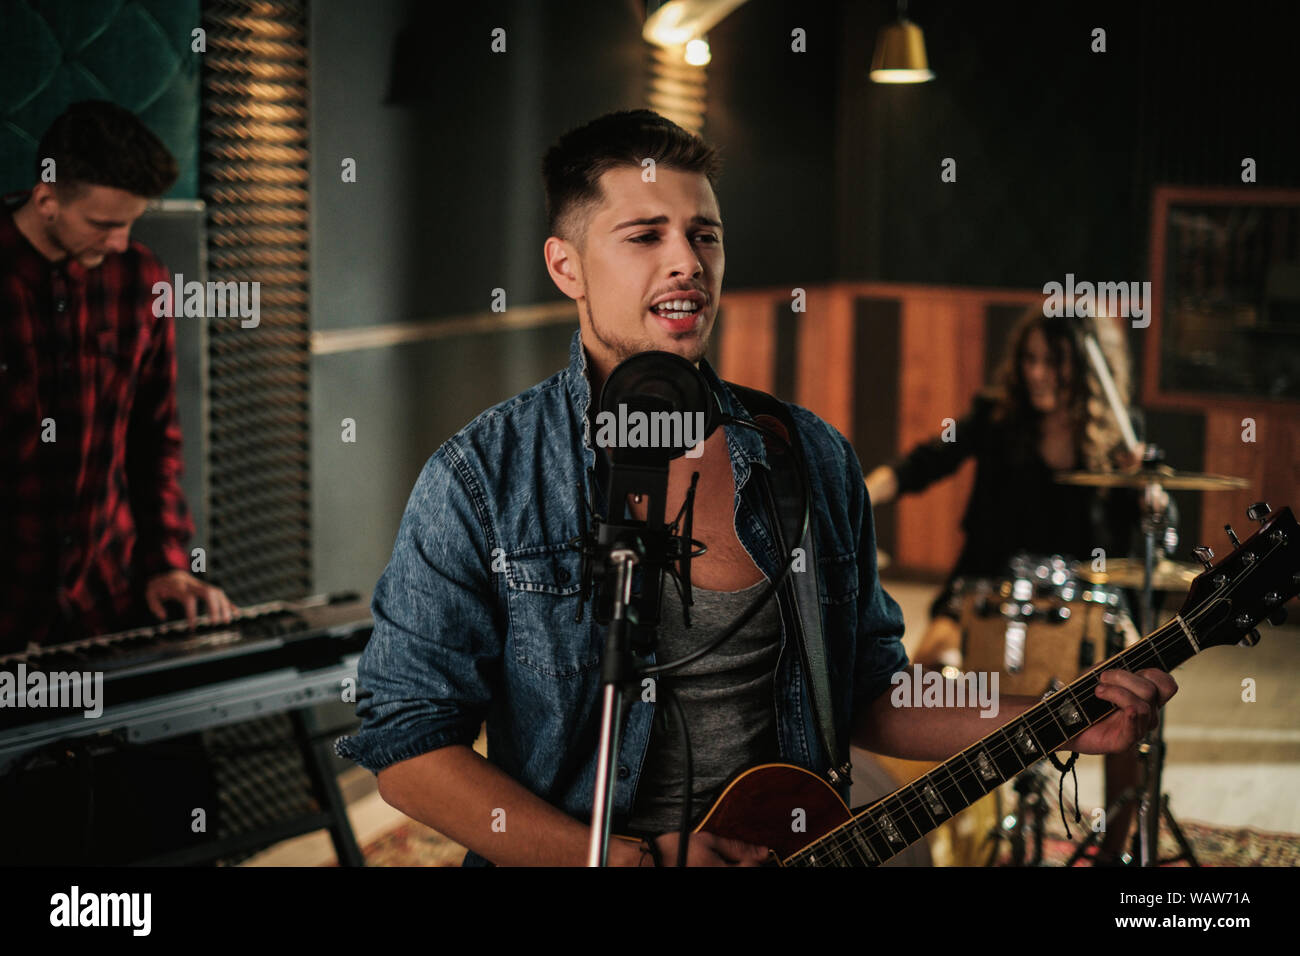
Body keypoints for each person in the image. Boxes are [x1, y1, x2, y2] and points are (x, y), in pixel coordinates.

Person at [335, 110, 1175, 866]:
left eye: (704, 235)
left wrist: (1057, 711)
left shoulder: (807, 455)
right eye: (644, 236)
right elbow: (408, 746)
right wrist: (622, 862)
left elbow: (873, 696)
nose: (686, 263)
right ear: (567, 267)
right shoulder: (480, 479)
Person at [864, 309, 1167, 862]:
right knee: (925, 675)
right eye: (1029, 359)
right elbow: (925, 463)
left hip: (1082, 604)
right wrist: (855, 494)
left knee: (1128, 703)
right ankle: (943, 839)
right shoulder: (997, 416)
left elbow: (1145, 545)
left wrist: (1146, 494)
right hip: (983, 591)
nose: (1037, 373)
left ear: (1083, 368)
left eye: (1053, 361)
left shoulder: (1121, 432)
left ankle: (1117, 849)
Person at [0, 100, 235, 654]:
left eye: (130, 222)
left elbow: (155, 439)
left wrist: (168, 564)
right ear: (46, 199)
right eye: (103, 224)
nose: (119, 242)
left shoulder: (141, 279)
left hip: (103, 601)